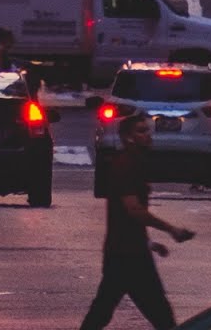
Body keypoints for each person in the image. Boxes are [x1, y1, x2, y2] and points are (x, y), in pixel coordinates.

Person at [78, 111, 194, 330]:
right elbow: (133, 209)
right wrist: (171, 229)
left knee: (103, 310)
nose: (148, 135)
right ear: (128, 137)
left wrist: (149, 243)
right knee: (160, 315)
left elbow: (126, 217)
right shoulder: (127, 165)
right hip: (129, 255)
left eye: (147, 130)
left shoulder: (132, 163)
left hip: (125, 251)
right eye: (141, 131)